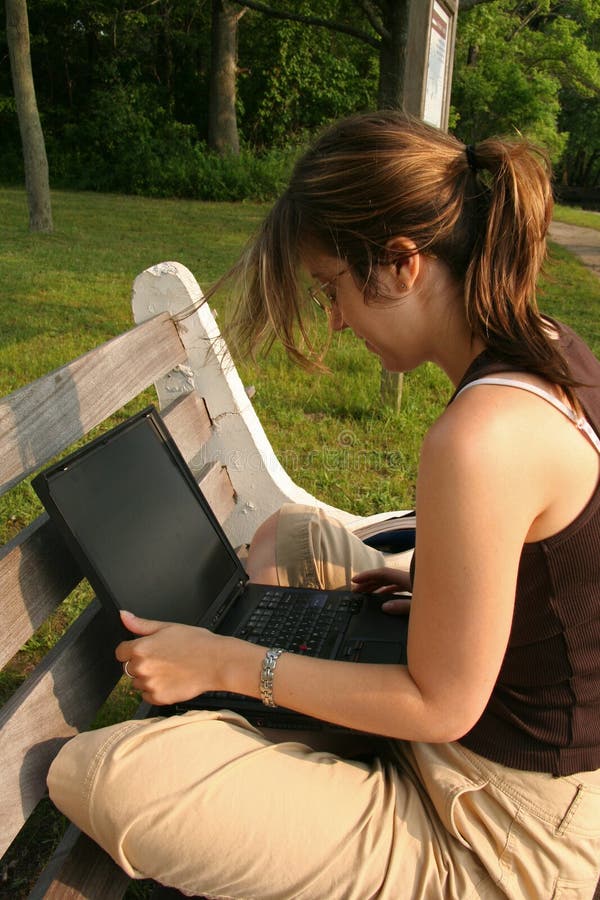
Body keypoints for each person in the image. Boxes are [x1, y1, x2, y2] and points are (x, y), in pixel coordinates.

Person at [47, 112, 600, 899]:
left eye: (333, 288)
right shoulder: (549, 351)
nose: (336, 319)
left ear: (403, 264)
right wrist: (439, 600)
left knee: (99, 776)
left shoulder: (481, 440)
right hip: (509, 749)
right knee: (300, 532)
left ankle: (255, 719)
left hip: (503, 835)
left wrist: (233, 666)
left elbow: (440, 705)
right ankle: (270, 716)